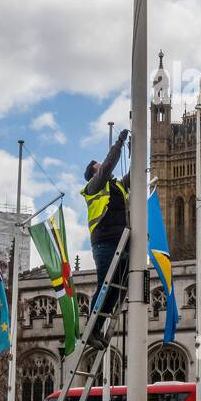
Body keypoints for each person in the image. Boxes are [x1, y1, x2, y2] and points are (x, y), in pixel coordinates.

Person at [82, 128, 130, 349]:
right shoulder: (95, 186)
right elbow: (109, 164)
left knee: (116, 288)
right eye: (98, 168)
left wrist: (136, 150)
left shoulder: (117, 186)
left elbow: (136, 175)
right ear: (94, 174)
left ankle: (98, 327)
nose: (102, 168)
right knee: (105, 285)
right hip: (105, 242)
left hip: (122, 241)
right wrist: (119, 143)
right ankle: (92, 329)